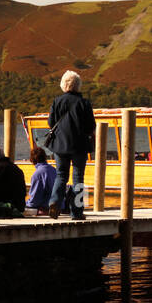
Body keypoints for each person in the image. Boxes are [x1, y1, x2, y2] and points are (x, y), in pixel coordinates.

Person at [47, 70, 96, 220]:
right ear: (78, 85)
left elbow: (51, 123)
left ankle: (55, 201)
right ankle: (77, 212)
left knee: (61, 175)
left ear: (63, 84)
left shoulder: (57, 101)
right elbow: (90, 126)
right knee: (78, 178)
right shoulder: (84, 103)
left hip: (60, 145)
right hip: (79, 146)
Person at [25, 146, 57, 215]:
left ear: (32, 160)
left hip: (45, 207)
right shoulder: (54, 170)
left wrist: (25, 203)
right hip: (57, 205)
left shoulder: (37, 174)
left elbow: (35, 199)